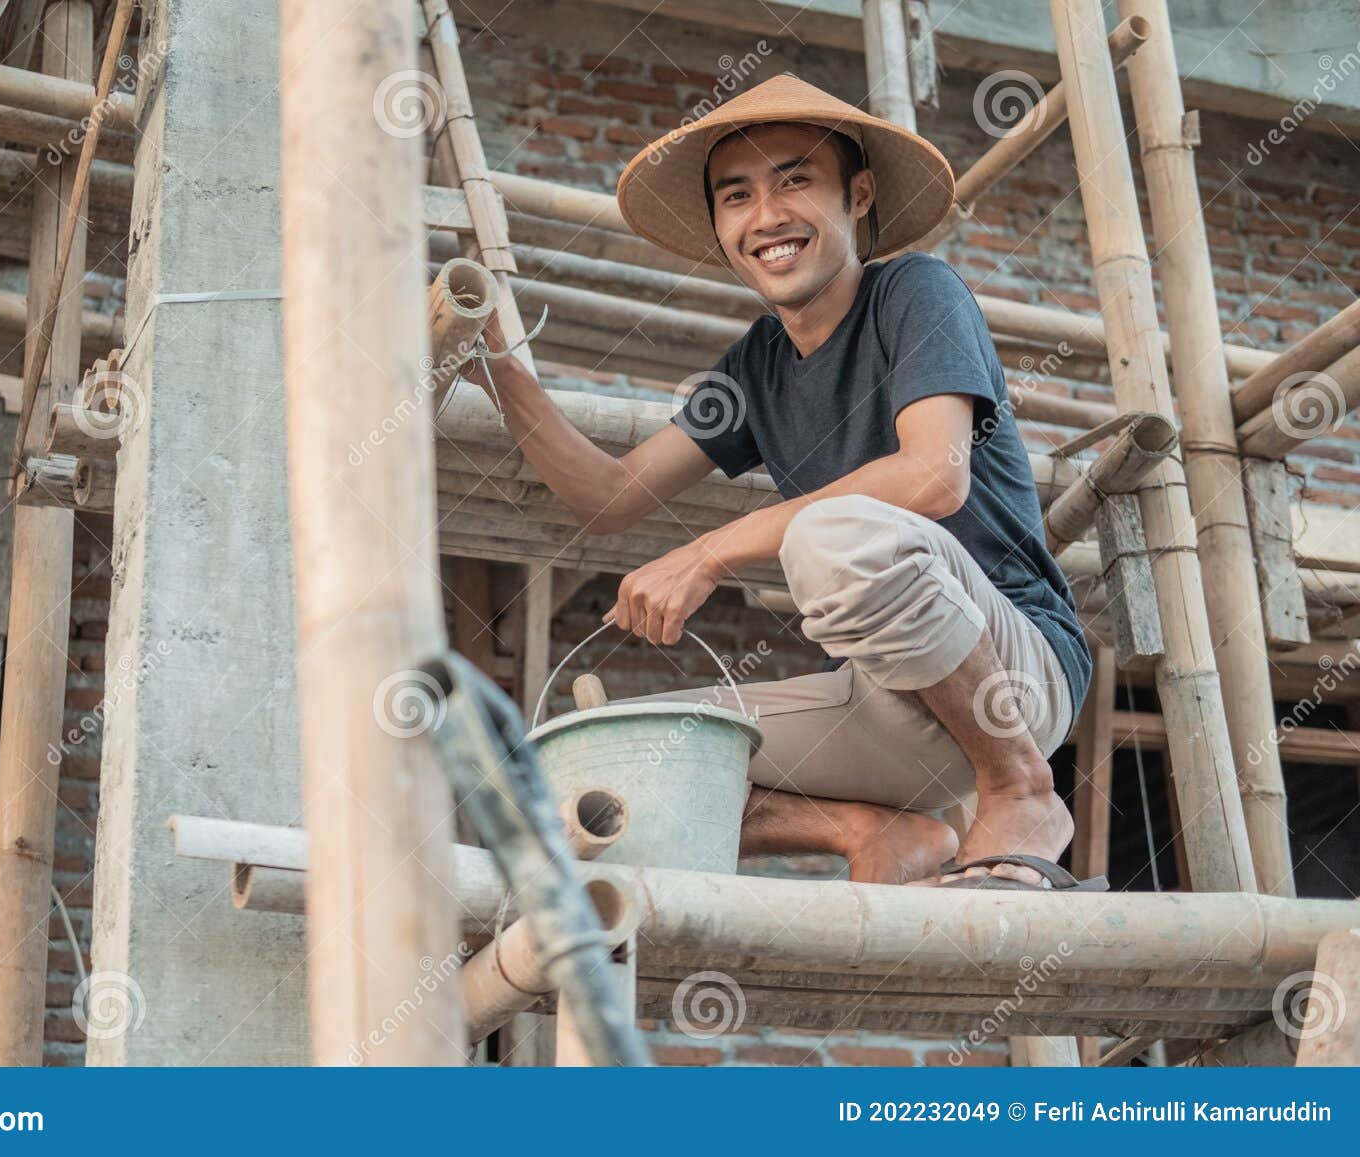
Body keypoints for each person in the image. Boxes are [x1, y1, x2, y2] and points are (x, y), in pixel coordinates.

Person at [466, 74, 1098, 891]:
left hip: (1011, 675)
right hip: (886, 703)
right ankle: (872, 830)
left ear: (857, 195)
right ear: (721, 225)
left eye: (795, 180)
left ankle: (1021, 791)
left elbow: (933, 477)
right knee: (591, 760)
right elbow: (612, 495)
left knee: (832, 536)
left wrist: (709, 553)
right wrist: (499, 372)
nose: (766, 216)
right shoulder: (758, 364)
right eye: (737, 196)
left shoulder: (914, 293)